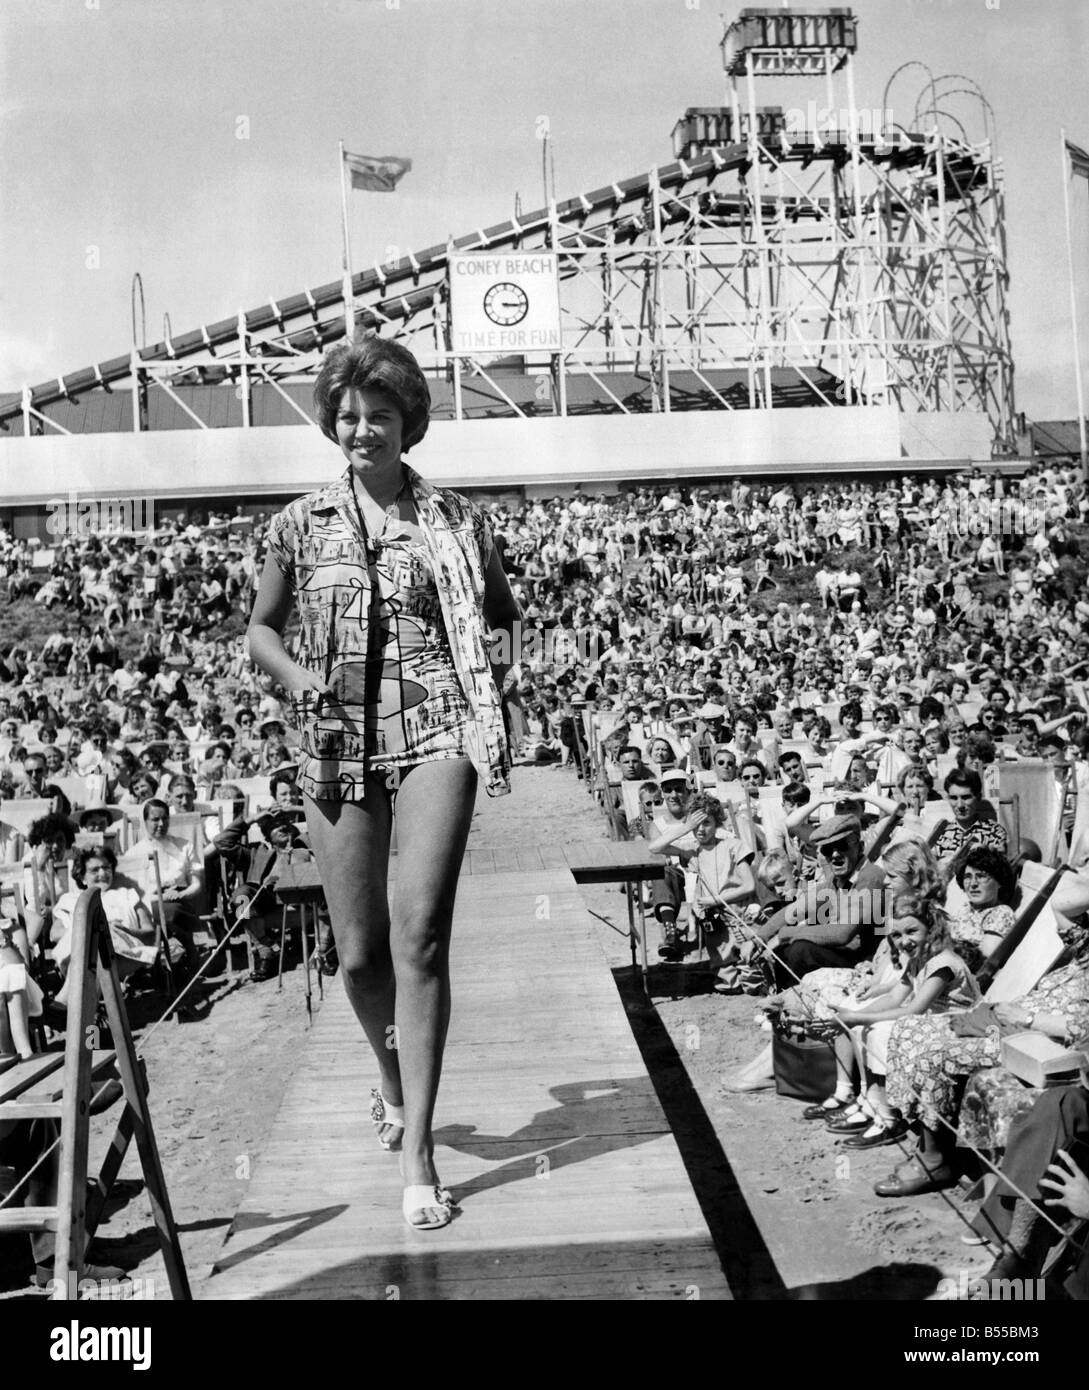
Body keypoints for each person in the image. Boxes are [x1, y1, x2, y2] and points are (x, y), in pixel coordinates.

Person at [247, 334, 521, 1231]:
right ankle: (391, 1077)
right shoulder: (295, 523)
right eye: (349, 417)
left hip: (434, 727)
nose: (362, 431)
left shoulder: (458, 522)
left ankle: (419, 1153)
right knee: (360, 954)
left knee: (421, 938)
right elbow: (261, 632)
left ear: (410, 424)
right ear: (333, 422)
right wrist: (300, 683)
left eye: (381, 417)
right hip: (331, 737)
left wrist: (488, 691)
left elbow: (503, 622)